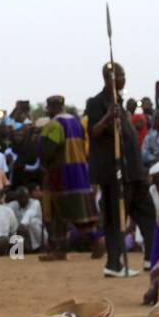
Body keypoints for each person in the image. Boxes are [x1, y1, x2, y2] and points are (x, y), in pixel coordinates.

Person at [85, 66, 153, 277]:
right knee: (115, 219)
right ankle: (114, 264)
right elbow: (94, 132)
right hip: (114, 173)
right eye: (120, 75)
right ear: (109, 78)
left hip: (134, 172)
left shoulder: (120, 104)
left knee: (148, 214)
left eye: (124, 74)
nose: (124, 79)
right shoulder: (96, 103)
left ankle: (152, 257)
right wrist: (107, 117)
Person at [39, 94, 97, 261]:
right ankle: (96, 241)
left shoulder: (53, 125)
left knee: (58, 211)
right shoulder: (76, 122)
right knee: (80, 211)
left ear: (51, 108)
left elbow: (47, 151)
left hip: (61, 173)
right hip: (80, 170)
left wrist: (44, 163)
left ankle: (59, 248)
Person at [8, 185, 45, 253]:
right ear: (17, 198)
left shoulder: (35, 203)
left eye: (25, 197)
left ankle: (37, 249)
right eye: (20, 198)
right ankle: (23, 249)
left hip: (38, 237)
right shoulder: (13, 205)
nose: (23, 200)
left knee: (32, 222)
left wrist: (22, 224)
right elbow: (5, 211)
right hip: (22, 234)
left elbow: (29, 214)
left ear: (29, 196)